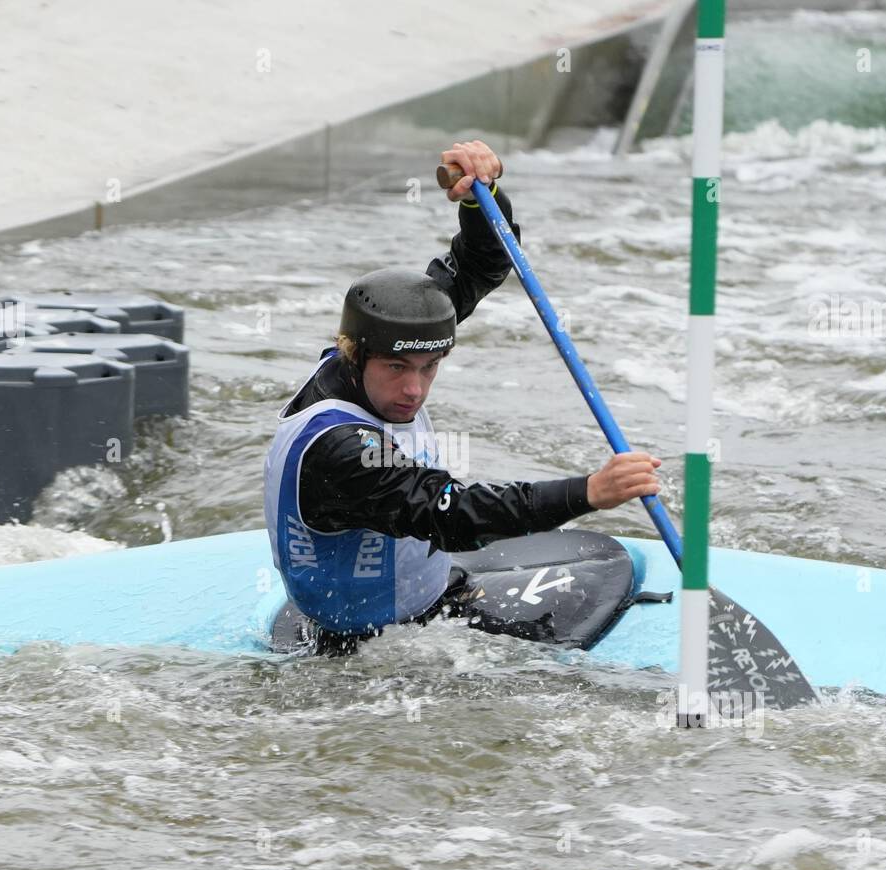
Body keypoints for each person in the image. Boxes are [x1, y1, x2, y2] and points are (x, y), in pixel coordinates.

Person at [263, 140, 662, 649]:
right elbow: (453, 514)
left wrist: (480, 197)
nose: (414, 389)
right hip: (370, 648)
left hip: (415, 596)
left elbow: (480, 267)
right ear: (353, 352)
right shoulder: (345, 451)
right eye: (397, 368)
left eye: (431, 367)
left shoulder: (378, 344)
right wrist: (589, 493)